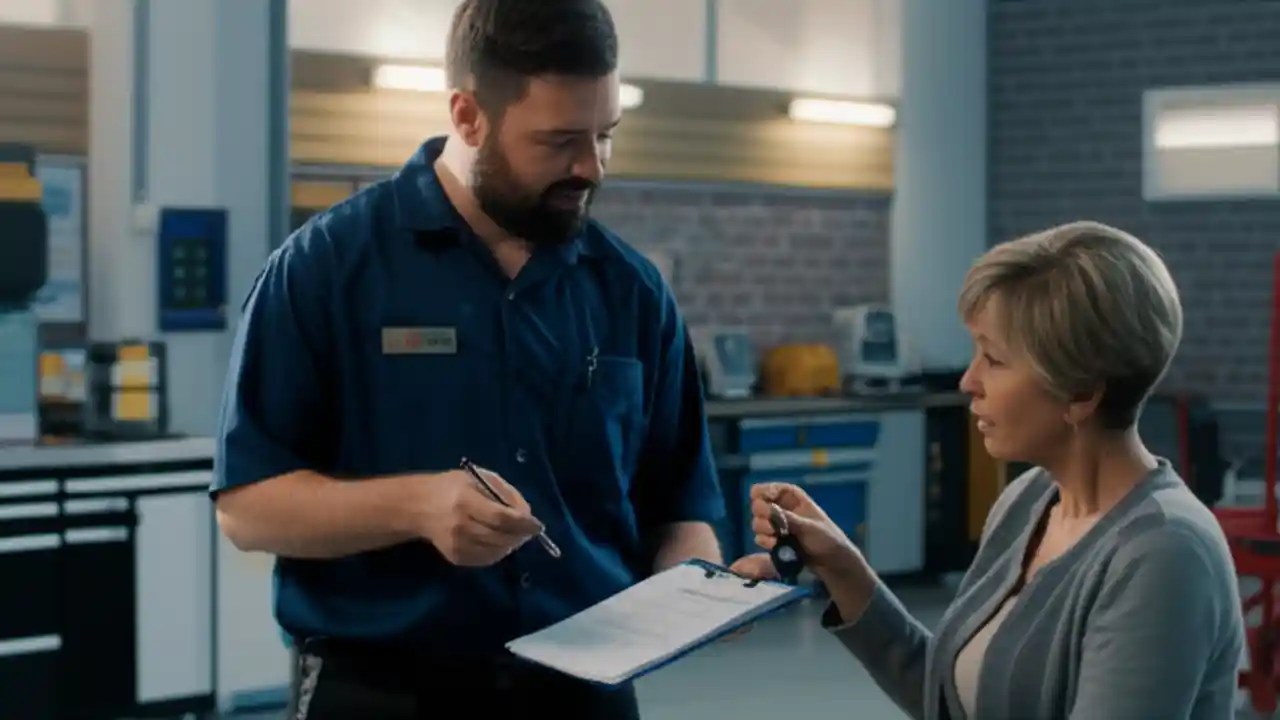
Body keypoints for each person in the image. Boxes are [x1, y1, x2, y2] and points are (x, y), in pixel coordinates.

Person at [210, 1, 725, 717]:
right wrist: (417, 506)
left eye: (606, 135)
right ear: (468, 115)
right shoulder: (325, 270)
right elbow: (248, 508)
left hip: (584, 697)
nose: (591, 167)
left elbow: (681, 506)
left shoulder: (630, 291)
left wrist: (697, 583)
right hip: (384, 690)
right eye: (559, 141)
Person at [732, 221, 1245, 719]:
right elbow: (950, 701)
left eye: (994, 360)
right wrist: (840, 564)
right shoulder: (1029, 499)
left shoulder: (1165, 554)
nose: (967, 381)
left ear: (1082, 391)